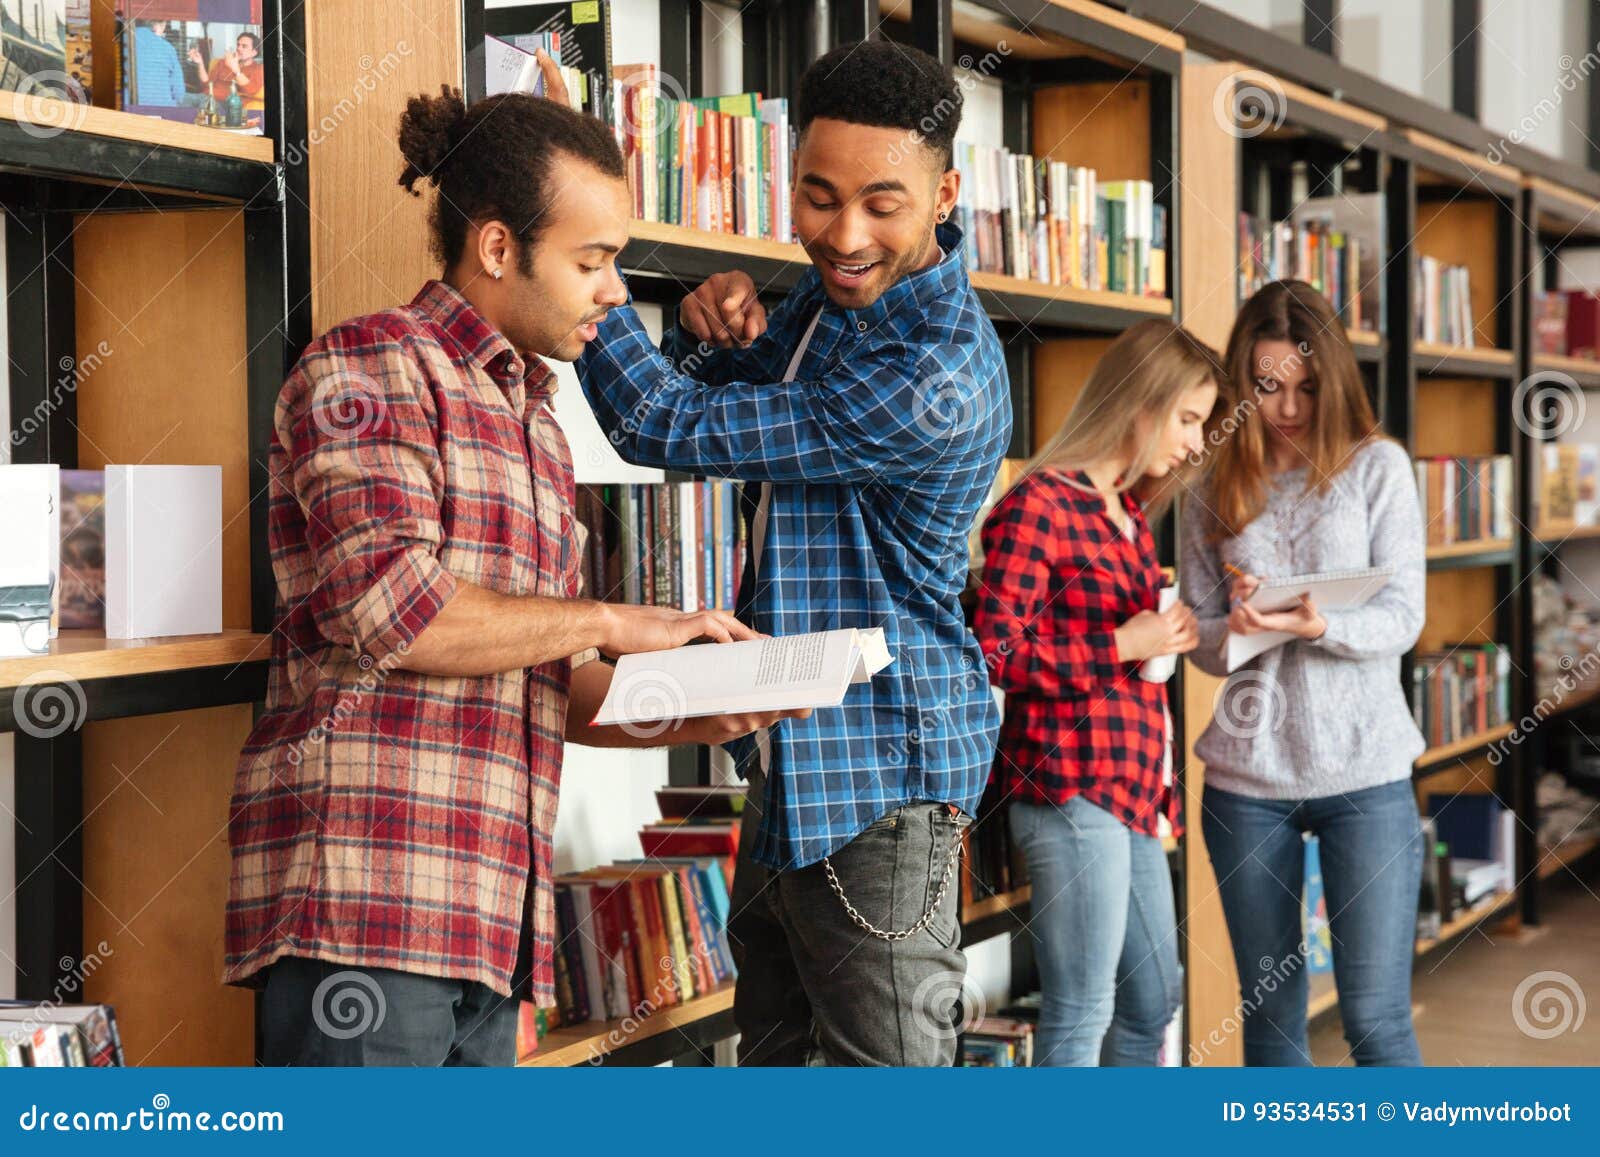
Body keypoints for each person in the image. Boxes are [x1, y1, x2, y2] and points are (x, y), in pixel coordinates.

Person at [224, 89, 802, 1067]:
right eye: (591, 260)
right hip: (368, 915)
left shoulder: (535, 422)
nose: (615, 291)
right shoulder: (368, 370)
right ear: (498, 248)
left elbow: (541, 671)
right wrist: (624, 618)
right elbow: (397, 615)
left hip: (495, 922)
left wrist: (693, 710)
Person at [552, 41, 1012, 1065]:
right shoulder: (834, 301)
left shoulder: (934, 376)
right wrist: (712, 325)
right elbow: (717, 395)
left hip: (879, 776)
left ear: (945, 194)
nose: (843, 235)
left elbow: (659, 424)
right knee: (771, 1061)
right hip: (794, 760)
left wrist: (582, 253)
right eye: (817, 196)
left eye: (882, 204)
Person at [1181, 279, 1427, 1066]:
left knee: (1376, 1019)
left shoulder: (1378, 467)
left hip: (1367, 770)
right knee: (1274, 1021)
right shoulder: (1210, 480)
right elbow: (1200, 636)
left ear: (1335, 381)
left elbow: (1403, 618)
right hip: (1248, 781)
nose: (1286, 408)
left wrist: (1320, 623)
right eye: (1266, 387)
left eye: (1306, 387)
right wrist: (1239, 630)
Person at [974, 319, 1219, 1066]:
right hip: (1070, 790)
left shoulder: (1130, 515)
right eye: (1187, 419)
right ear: (1139, 404)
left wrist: (1163, 635)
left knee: (1153, 998)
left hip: (1135, 789)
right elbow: (995, 651)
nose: (1197, 442)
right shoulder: (1042, 503)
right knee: (1082, 1011)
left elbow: (1132, 643)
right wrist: (1124, 643)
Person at [189, 31, 267, 111]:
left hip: (225, 103)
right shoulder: (222, 62)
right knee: (179, 98)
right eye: (238, 45)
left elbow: (251, 90)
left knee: (205, 107)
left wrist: (236, 70)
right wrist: (200, 63)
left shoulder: (258, 69)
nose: (239, 48)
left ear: (254, 52)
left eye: (244, 46)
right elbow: (207, 84)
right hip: (204, 97)